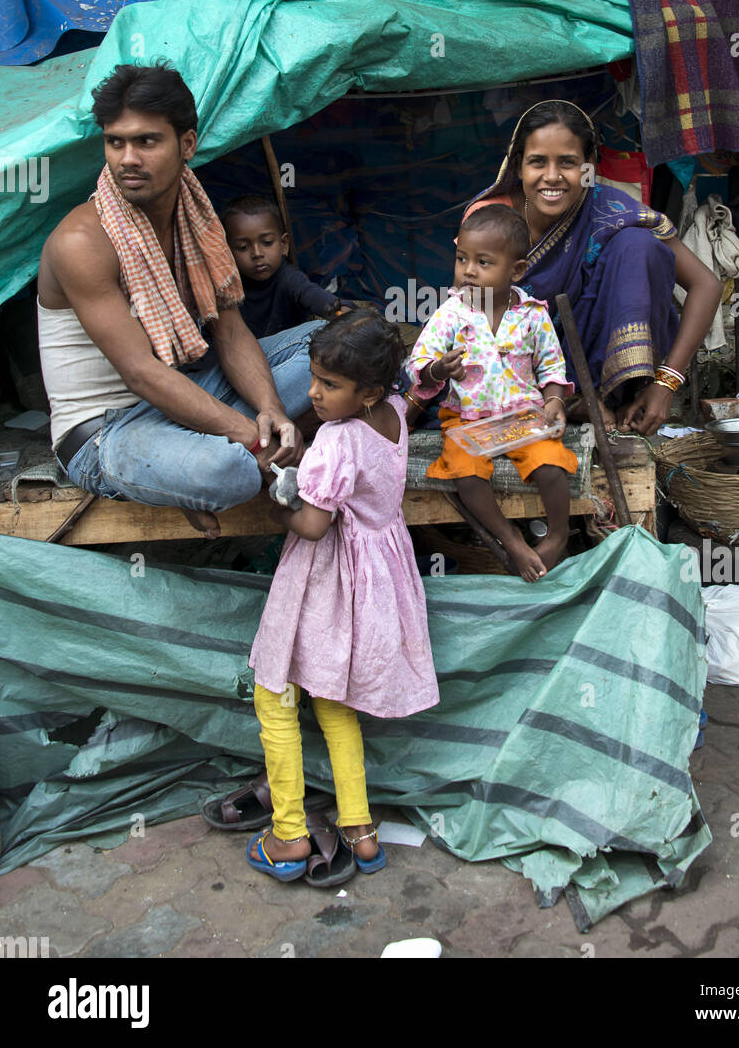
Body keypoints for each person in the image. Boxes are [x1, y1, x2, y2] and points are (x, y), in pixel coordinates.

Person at [37, 62, 318, 538]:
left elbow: (229, 330)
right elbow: (141, 373)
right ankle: (191, 471)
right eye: (116, 141)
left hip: (189, 391)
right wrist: (252, 437)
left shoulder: (195, 216)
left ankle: (188, 468)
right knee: (225, 471)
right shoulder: (82, 241)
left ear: (186, 144)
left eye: (147, 141)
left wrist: (268, 408)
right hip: (108, 432)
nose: (127, 157)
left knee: (336, 343)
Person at [245, 308, 439, 884]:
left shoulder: (336, 439)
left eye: (330, 385)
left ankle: (287, 836)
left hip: (324, 580)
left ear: (370, 390)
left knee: (274, 692)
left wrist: (270, 492)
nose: (313, 394)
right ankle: (361, 829)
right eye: (313, 378)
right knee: (333, 701)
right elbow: (417, 392)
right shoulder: (397, 416)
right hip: (379, 574)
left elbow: (312, 526)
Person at [465, 99, 722, 435]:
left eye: (568, 163)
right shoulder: (488, 222)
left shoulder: (610, 209)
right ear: (517, 165)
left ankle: (626, 393)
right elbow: (470, 316)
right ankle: (571, 400)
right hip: (515, 374)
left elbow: (707, 285)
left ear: (589, 165)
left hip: (601, 374)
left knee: (638, 245)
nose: (552, 177)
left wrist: (666, 382)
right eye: (538, 162)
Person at [405, 204, 578, 582]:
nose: (468, 270)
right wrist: (438, 368)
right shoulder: (451, 314)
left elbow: (552, 366)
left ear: (516, 270)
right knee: (467, 475)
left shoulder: (533, 314)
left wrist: (553, 402)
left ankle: (559, 533)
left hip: (523, 418)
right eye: (461, 258)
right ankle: (510, 539)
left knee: (551, 466)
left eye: (483, 262)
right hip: (468, 419)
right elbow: (418, 363)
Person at [221, 194, 345, 339]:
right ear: (227, 252)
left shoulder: (288, 279)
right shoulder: (225, 287)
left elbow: (318, 298)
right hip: (245, 355)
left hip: (288, 351)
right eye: (243, 247)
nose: (257, 253)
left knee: (322, 330)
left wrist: (344, 314)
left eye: (267, 242)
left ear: (284, 245)